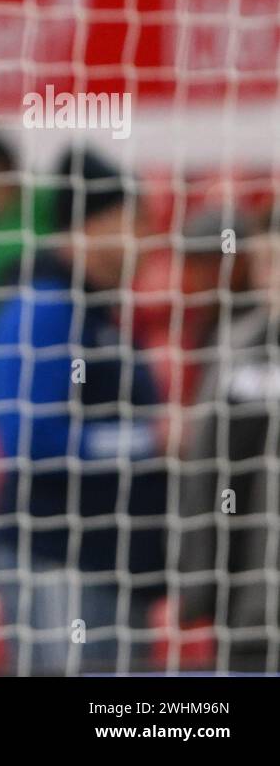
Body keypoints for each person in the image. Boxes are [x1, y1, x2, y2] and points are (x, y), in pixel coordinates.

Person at [0, 147, 167, 673]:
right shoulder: (45, 305)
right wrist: (148, 439)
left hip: (114, 561)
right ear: (95, 222)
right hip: (58, 559)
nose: (148, 242)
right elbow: (31, 441)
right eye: (136, 224)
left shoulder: (99, 306)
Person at [175, 219, 279, 672]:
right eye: (268, 262)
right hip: (243, 593)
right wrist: (198, 581)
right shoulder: (230, 346)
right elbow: (204, 467)